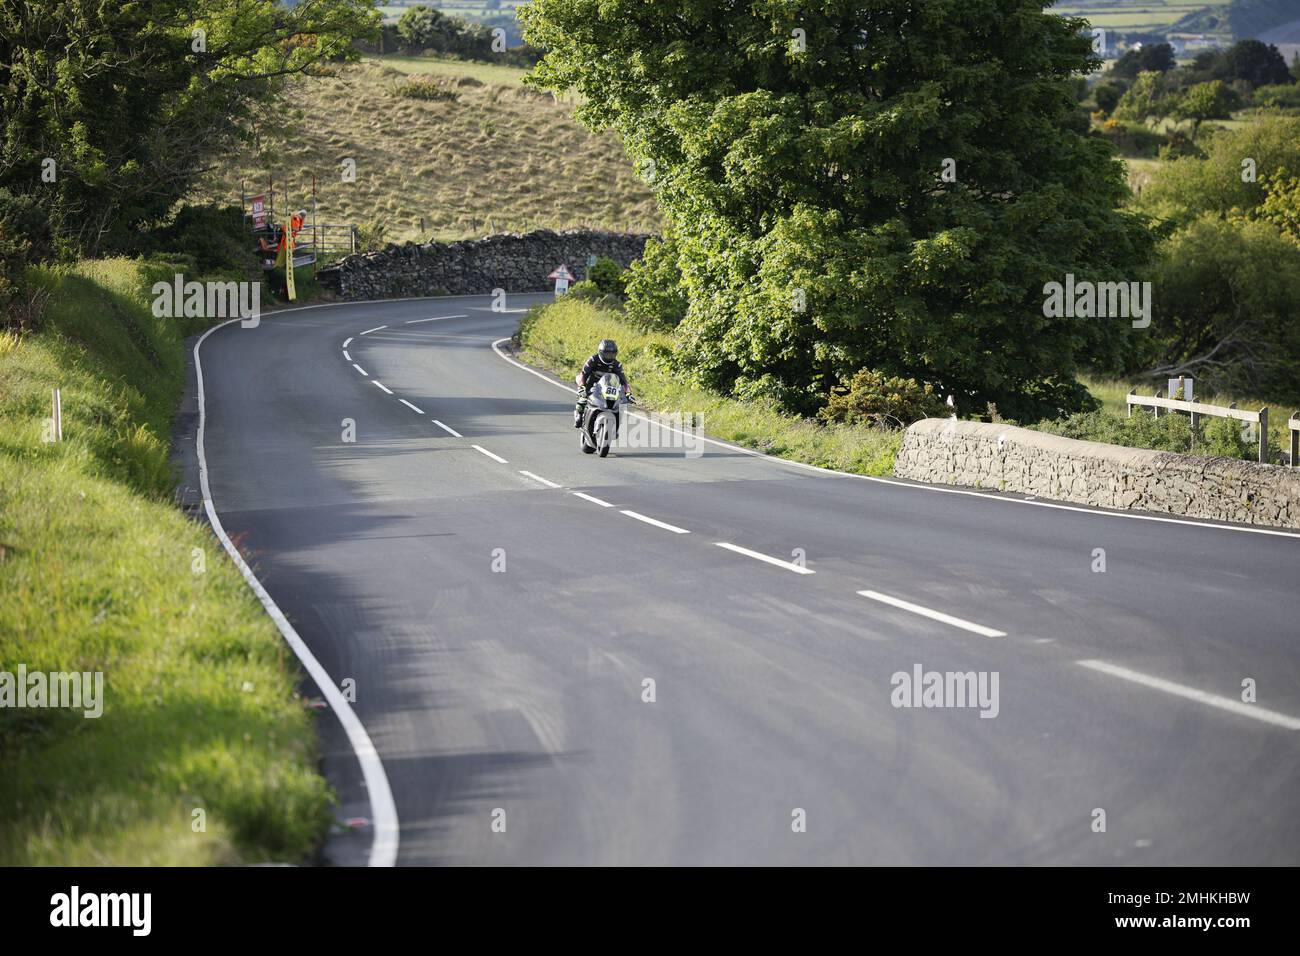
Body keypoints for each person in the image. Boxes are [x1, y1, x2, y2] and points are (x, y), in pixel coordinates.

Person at [574, 339, 631, 427]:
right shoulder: (593, 360)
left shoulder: (617, 365)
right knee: (583, 399)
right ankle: (579, 415)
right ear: (600, 352)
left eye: (612, 353)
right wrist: (582, 387)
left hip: (608, 388)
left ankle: (616, 425)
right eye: (607, 353)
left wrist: (628, 393)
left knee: (619, 405)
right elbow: (583, 374)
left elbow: (624, 382)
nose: (609, 356)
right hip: (591, 386)